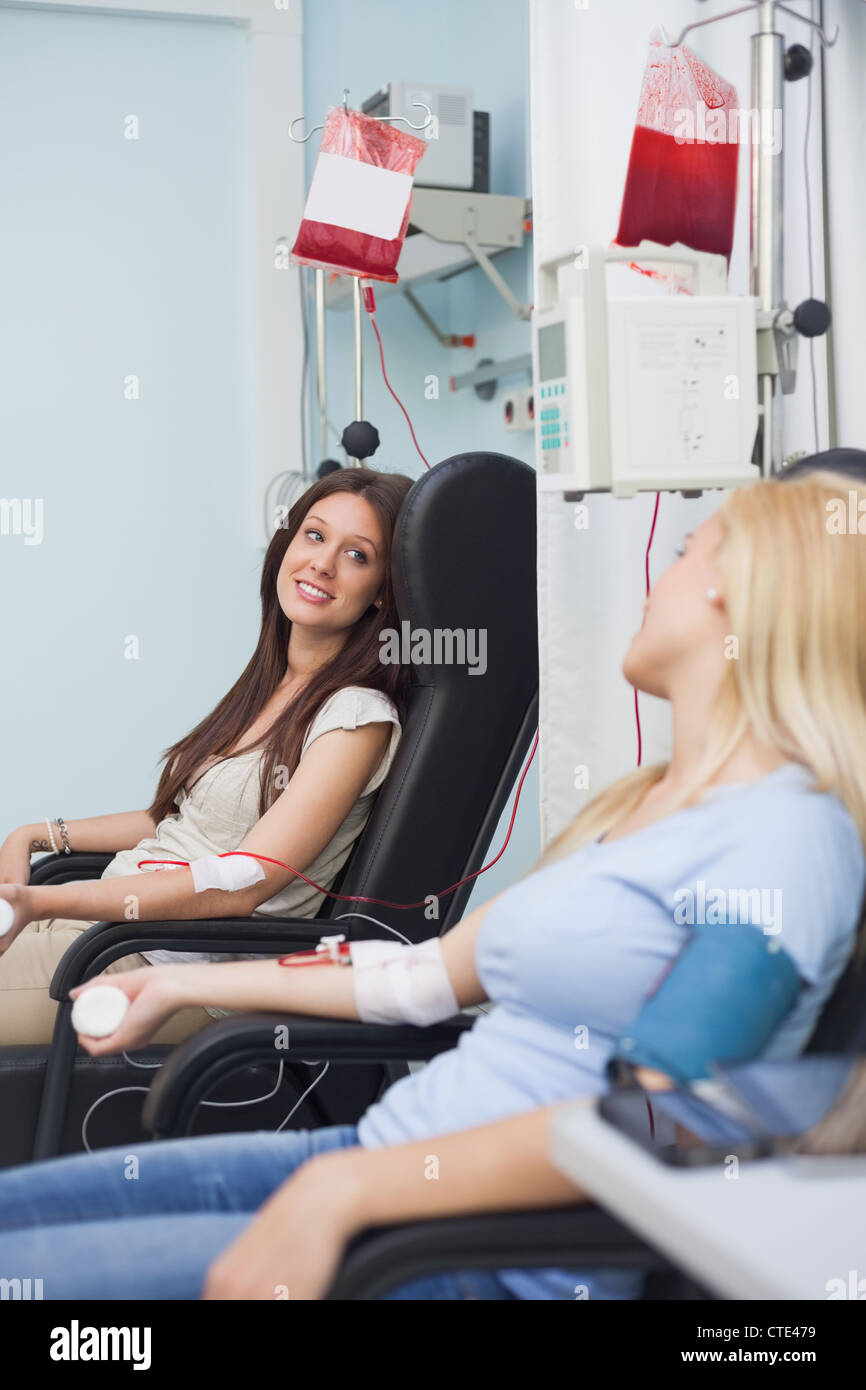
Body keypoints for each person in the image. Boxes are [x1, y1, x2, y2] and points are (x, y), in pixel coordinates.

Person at [0, 469, 863, 1300]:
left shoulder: (786, 838)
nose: (655, 578)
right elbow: (414, 977)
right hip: (377, 1161)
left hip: (465, 1245)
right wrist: (181, 981)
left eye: (683, 555)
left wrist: (350, 1195)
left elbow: (658, 1121)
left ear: (742, 596)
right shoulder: (640, 808)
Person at [0, 468, 413, 1044]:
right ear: (286, 546)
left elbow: (243, 879)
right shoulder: (274, 686)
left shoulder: (355, 718)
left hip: (152, 966)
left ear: (382, 593)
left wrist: (39, 900)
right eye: (315, 536)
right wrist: (36, 834)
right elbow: (180, 819)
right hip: (102, 931)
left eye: (357, 555)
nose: (323, 563)